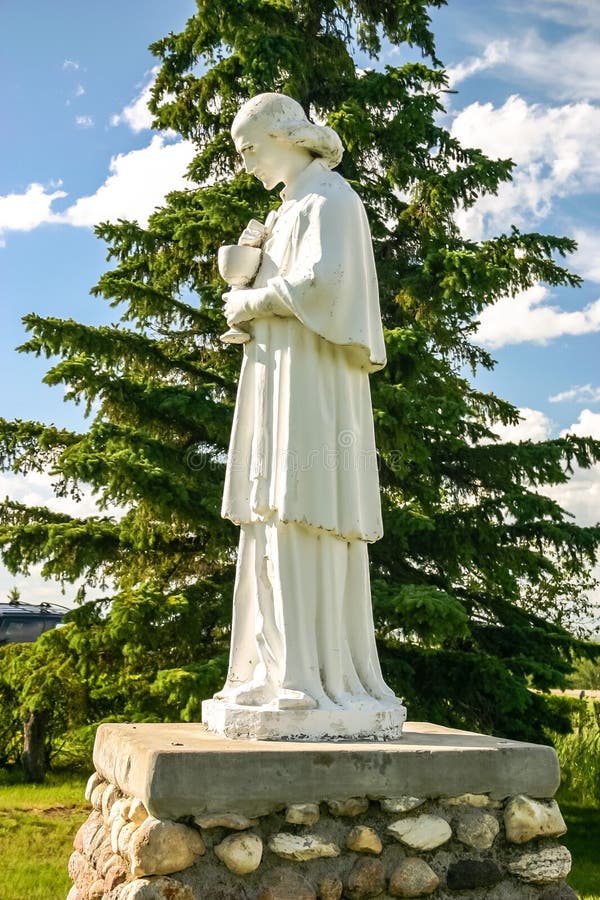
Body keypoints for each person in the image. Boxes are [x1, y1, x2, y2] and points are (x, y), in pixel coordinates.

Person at [212, 93, 402, 720]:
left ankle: (307, 675)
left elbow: (327, 284)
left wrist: (255, 301)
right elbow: (281, 286)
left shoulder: (331, 199)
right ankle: (268, 669)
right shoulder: (289, 209)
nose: (245, 164)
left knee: (302, 507)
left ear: (286, 136)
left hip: (312, 382)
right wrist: (247, 281)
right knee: (271, 512)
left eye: (249, 149)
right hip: (276, 374)